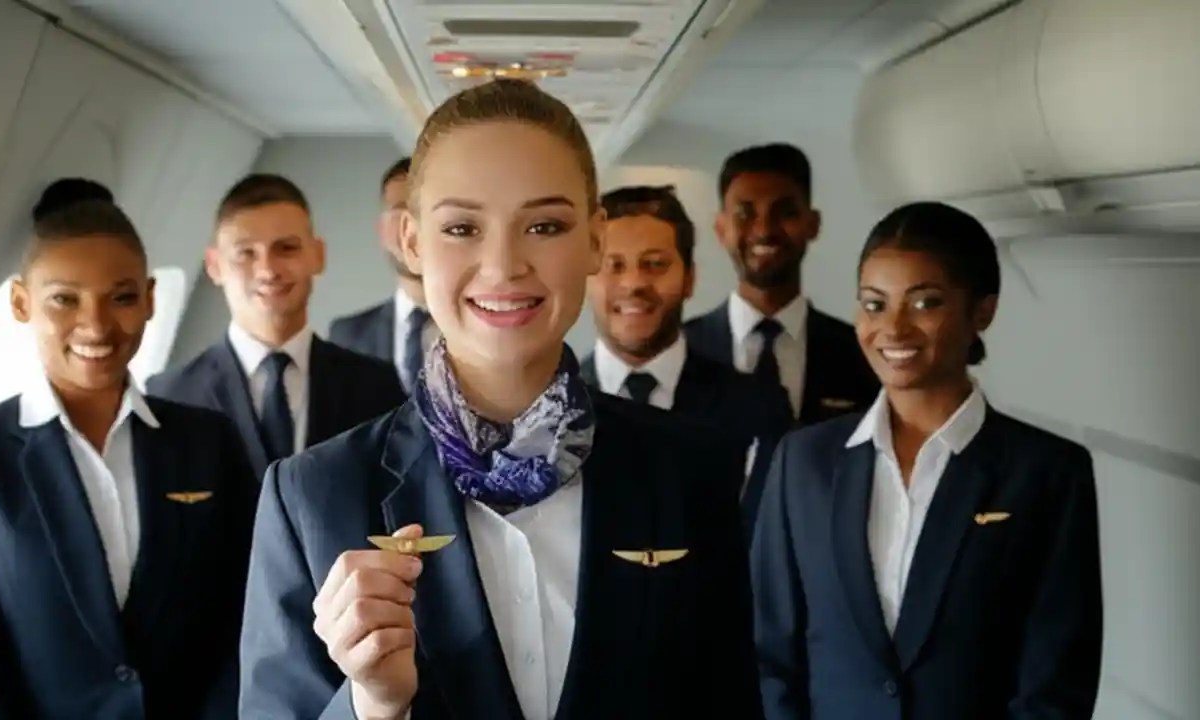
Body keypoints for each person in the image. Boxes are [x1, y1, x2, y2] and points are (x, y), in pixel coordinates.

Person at [240, 79, 762, 720]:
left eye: (544, 225)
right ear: (410, 242)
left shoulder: (688, 472)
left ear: (596, 238)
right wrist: (371, 704)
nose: (503, 264)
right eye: (462, 227)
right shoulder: (312, 497)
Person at [751, 202, 1103, 719]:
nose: (893, 329)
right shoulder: (803, 463)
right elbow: (768, 654)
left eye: (925, 303)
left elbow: (1055, 681)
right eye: (874, 305)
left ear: (982, 311)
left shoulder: (1046, 473)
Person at [0, 179, 257, 719]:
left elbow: (247, 618)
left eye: (122, 297)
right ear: (20, 302)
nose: (97, 324)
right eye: (64, 299)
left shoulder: (207, 442)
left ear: (150, 300)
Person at [148, 174, 404, 479]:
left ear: (317, 255)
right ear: (214, 265)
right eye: (246, 253)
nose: (268, 270)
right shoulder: (171, 395)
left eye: (286, 248)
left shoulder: (376, 386)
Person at [580, 183, 791, 524]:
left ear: (689, 278)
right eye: (613, 265)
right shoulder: (550, 410)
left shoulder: (757, 409)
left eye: (654, 264)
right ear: (585, 279)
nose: (634, 283)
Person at [684, 143, 878, 425]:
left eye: (785, 212)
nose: (764, 230)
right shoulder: (680, 350)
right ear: (721, 228)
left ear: (813, 224)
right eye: (744, 214)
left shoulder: (862, 354)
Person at [329, 157, 437, 391]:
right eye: (400, 214)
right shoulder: (346, 337)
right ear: (381, 230)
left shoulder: (485, 325)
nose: (413, 229)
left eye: (422, 213)